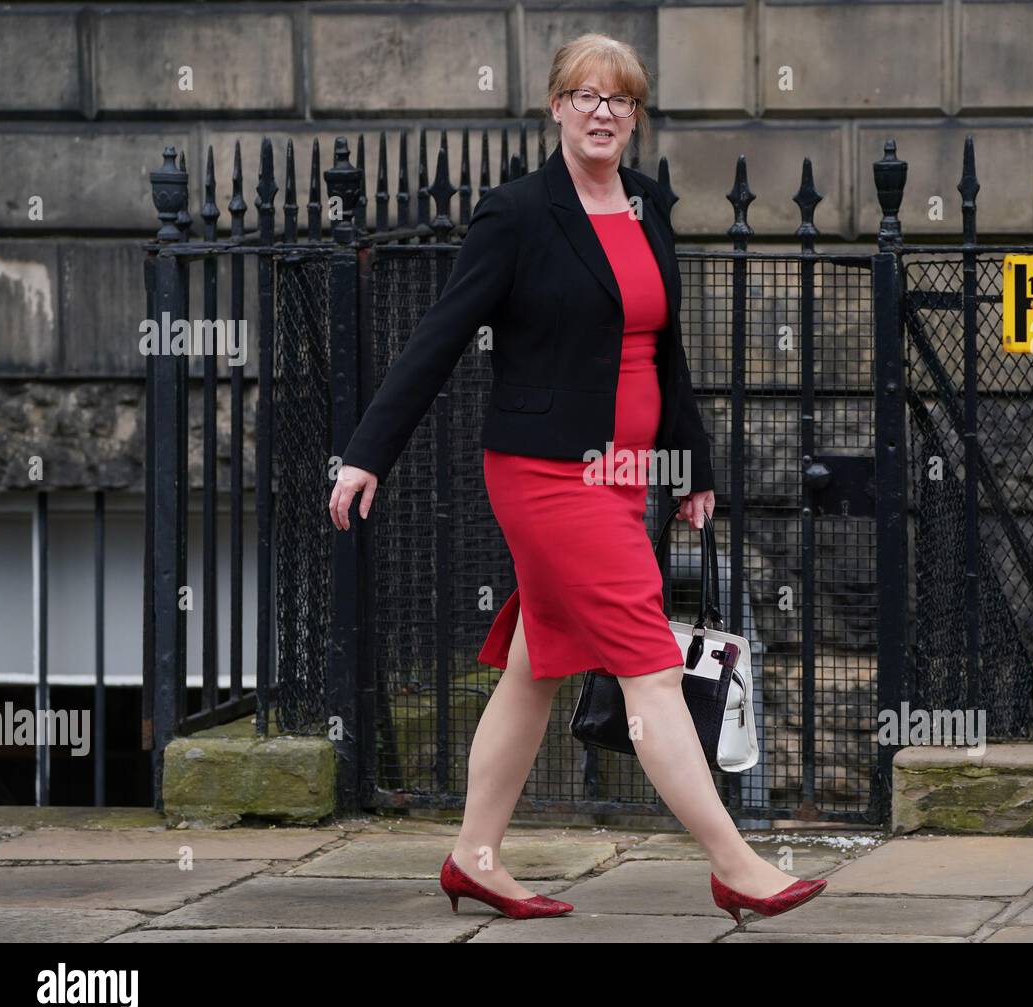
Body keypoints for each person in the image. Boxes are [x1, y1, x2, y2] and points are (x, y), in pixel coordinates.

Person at [328, 32, 825, 925]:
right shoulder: (515, 214)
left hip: (628, 474)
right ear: (556, 106)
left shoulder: (645, 202)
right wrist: (367, 450)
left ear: (635, 115)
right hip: (545, 473)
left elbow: (664, 347)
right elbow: (439, 336)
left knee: (534, 667)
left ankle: (473, 856)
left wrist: (694, 463)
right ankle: (736, 863)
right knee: (650, 662)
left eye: (621, 99)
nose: (604, 113)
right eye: (586, 96)